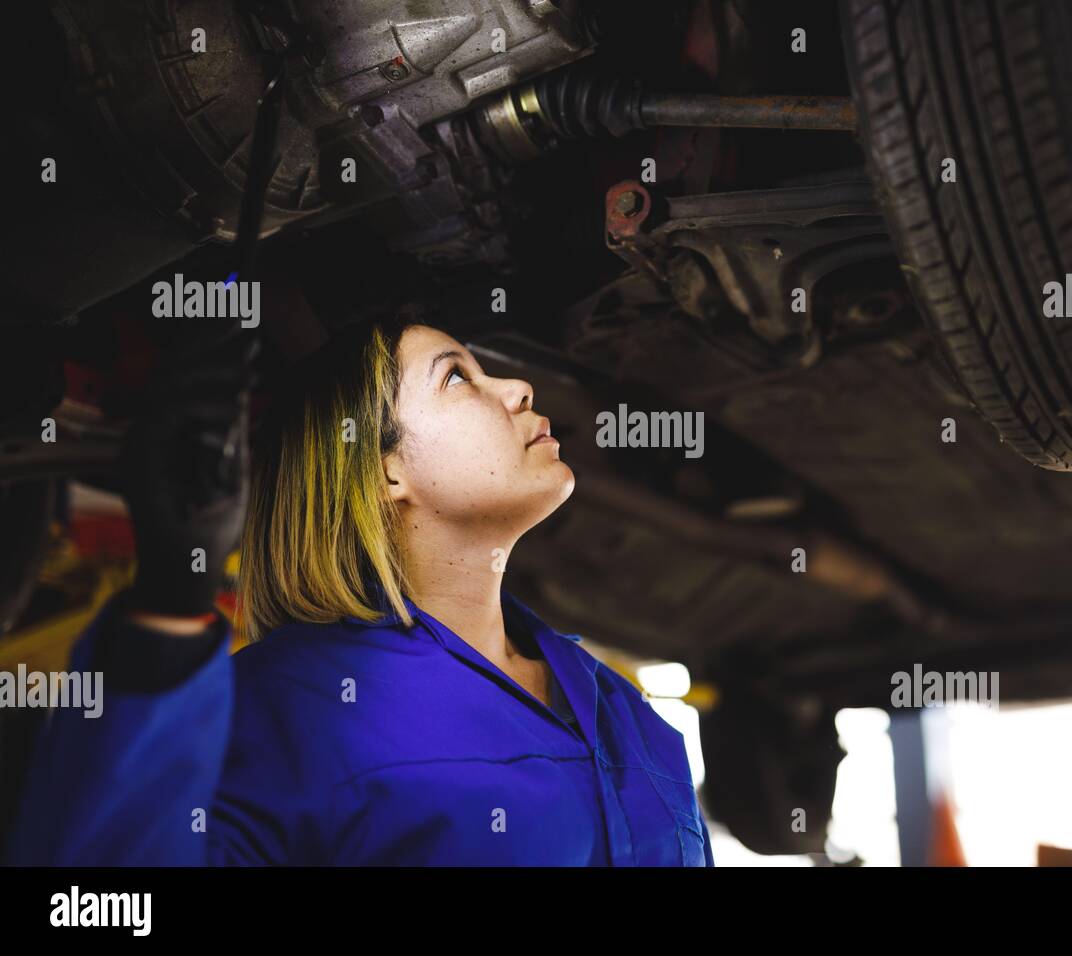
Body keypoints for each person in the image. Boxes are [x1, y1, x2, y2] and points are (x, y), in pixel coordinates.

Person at [4, 315, 714, 866]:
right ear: (384, 475)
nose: (519, 388)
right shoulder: (293, 705)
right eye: (458, 378)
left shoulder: (622, 708)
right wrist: (170, 592)